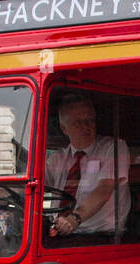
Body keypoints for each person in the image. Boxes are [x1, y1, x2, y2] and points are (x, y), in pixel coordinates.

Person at [44, 93, 130, 239]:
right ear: (64, 128)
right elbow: (35, 185)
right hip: (58, 234)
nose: (86, 127)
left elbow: (104, 189)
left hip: (101, 239)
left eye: (90, 120)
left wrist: (74, 219)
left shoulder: (113, 148)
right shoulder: (57, 159)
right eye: (78, 122)